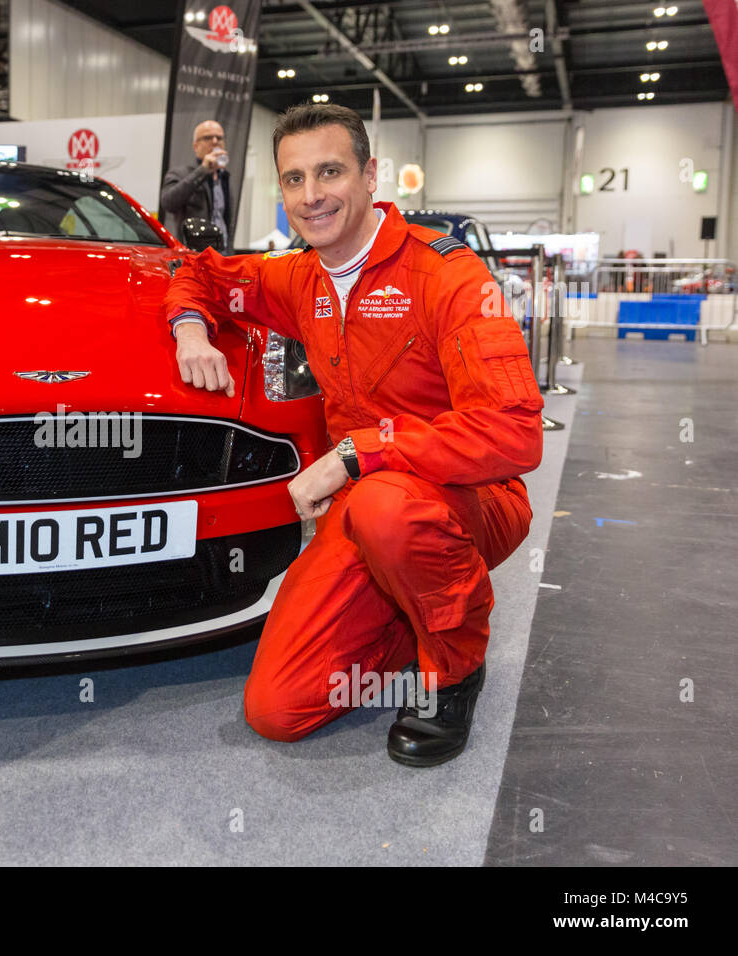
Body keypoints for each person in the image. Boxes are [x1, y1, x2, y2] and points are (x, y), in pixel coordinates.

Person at [164, 104, 543, 767]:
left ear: (371, 176)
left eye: (330, 172)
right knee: (278, 708)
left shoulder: (447, 276)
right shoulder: (297, 277)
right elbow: (198, 271)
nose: (310, 197)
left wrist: (357, 453)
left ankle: (453, 668)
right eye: (293, 179)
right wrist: (189, 328)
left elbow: (512, 434)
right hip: (368, 510)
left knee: (384, 505)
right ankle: (417, 605)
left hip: (474, 500)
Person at [160, 120, 232, 253]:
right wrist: (203, 170)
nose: (215, 141)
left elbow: (225, 220)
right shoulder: (180, 173)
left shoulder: (224, 177)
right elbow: (168, 202)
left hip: (222, 253)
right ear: (196, 146)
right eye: (208, 138)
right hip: (193, 254)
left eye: (219, 138)